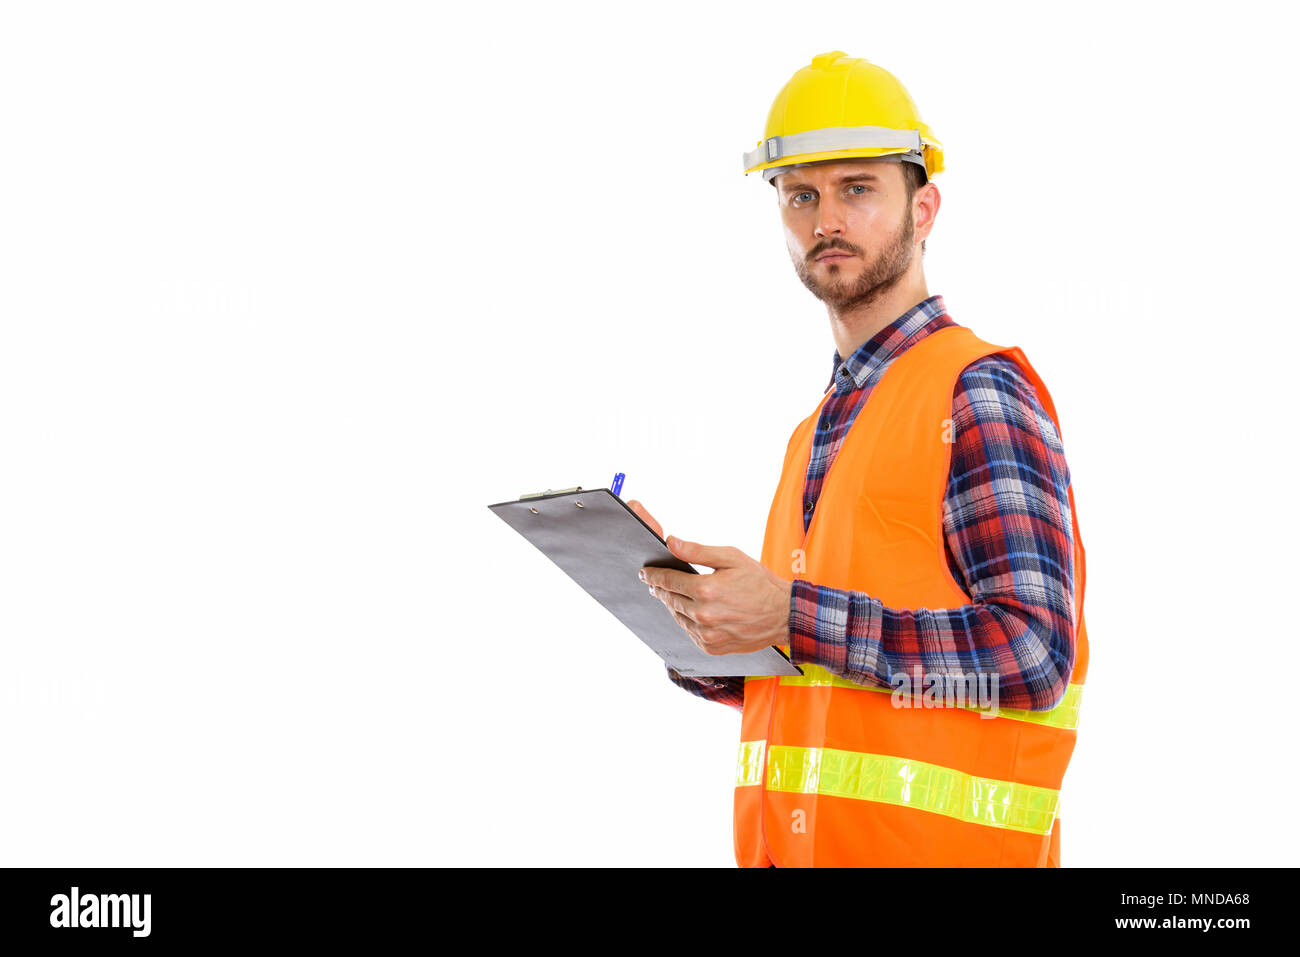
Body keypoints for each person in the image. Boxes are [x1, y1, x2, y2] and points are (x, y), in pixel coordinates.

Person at [633, 51, 1089, 867]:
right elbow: (837, 678)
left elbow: (1032, 657)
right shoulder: (813, 431)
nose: (825, 220)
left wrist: (791, 616)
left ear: (925, 207)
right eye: (801, 195)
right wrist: (708, 629)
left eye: (858, 188)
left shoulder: (976, 392)